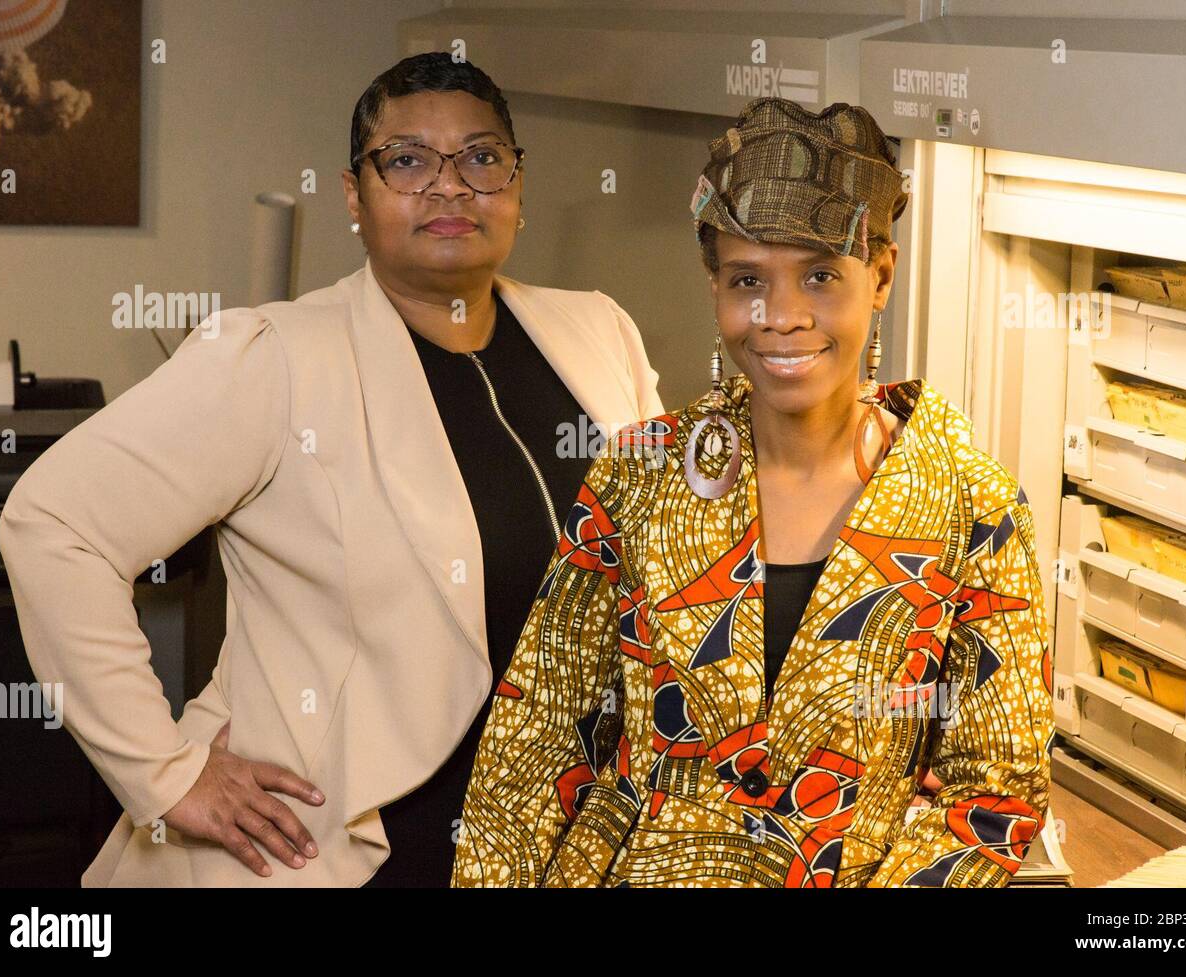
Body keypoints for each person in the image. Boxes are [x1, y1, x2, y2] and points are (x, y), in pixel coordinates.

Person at [0, 52, 662, 887]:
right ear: (355, 195)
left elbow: (670, 556)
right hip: (346, 845)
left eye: (482, 158)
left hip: (561, 843)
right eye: (408, 160)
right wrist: (166, 773)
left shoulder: (598, 335)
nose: (450, 186)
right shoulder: (274, 360)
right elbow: (53, 523)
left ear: (517, 186)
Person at [451, 97, 1054, 888]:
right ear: (714, 286)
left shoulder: (973, 508)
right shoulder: (641, 473)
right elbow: (537, 737)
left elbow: (993, 792)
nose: (781, 316)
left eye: (820, 275)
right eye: (747, 280)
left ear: (881, 276)